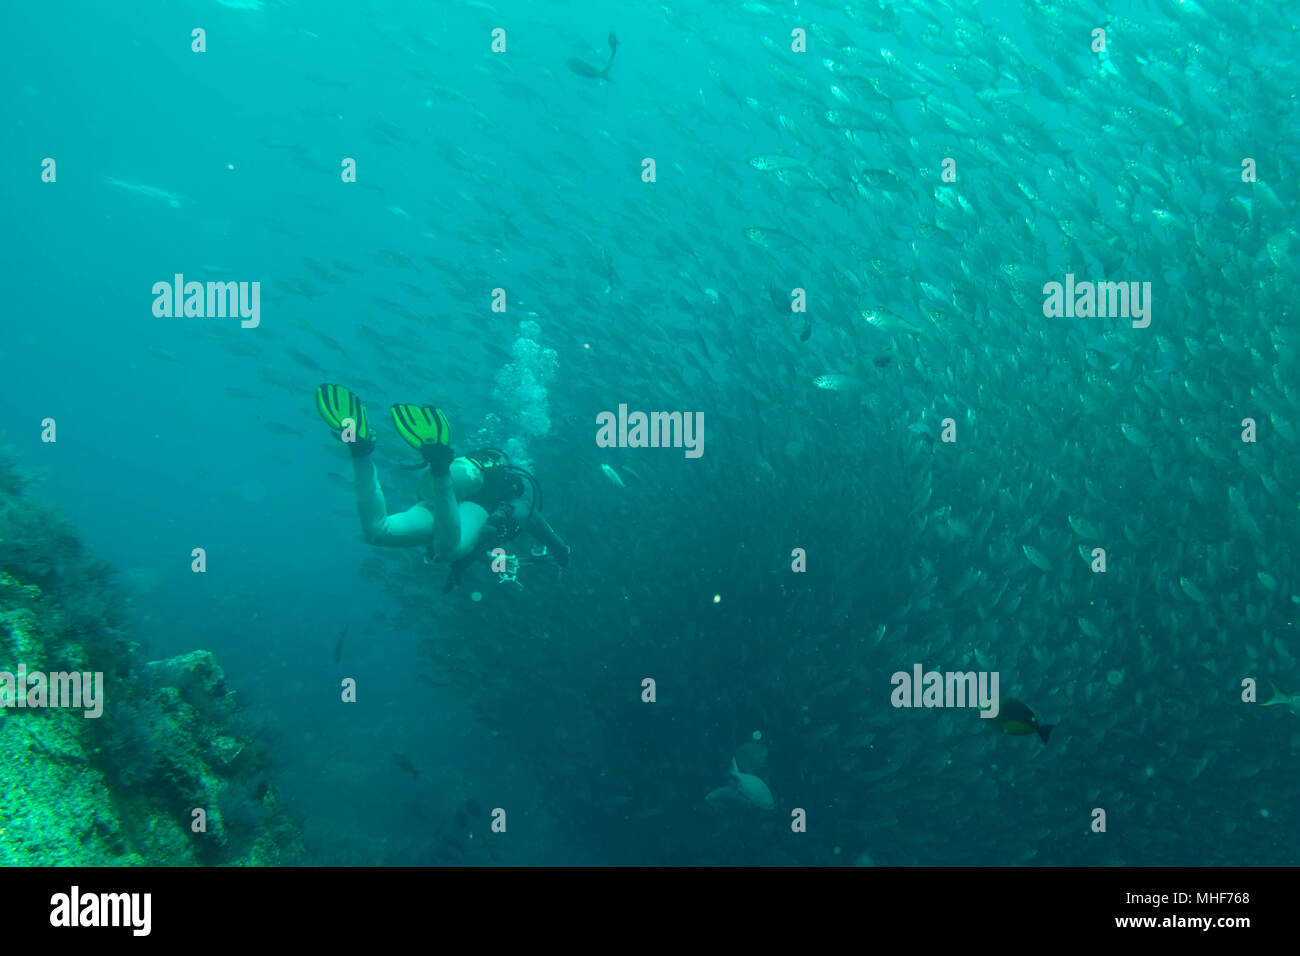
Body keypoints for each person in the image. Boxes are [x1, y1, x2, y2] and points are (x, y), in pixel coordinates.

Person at [315, 383, 570, 591]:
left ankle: (360, 451)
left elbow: (477, 549)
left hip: (441, 493)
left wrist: (463, 568)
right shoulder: (514, 502)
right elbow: (529, 521)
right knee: (448, 549)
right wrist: (561, 550)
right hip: (470, 501)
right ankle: (438, 468)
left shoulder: (487, 516)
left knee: (377, 532)